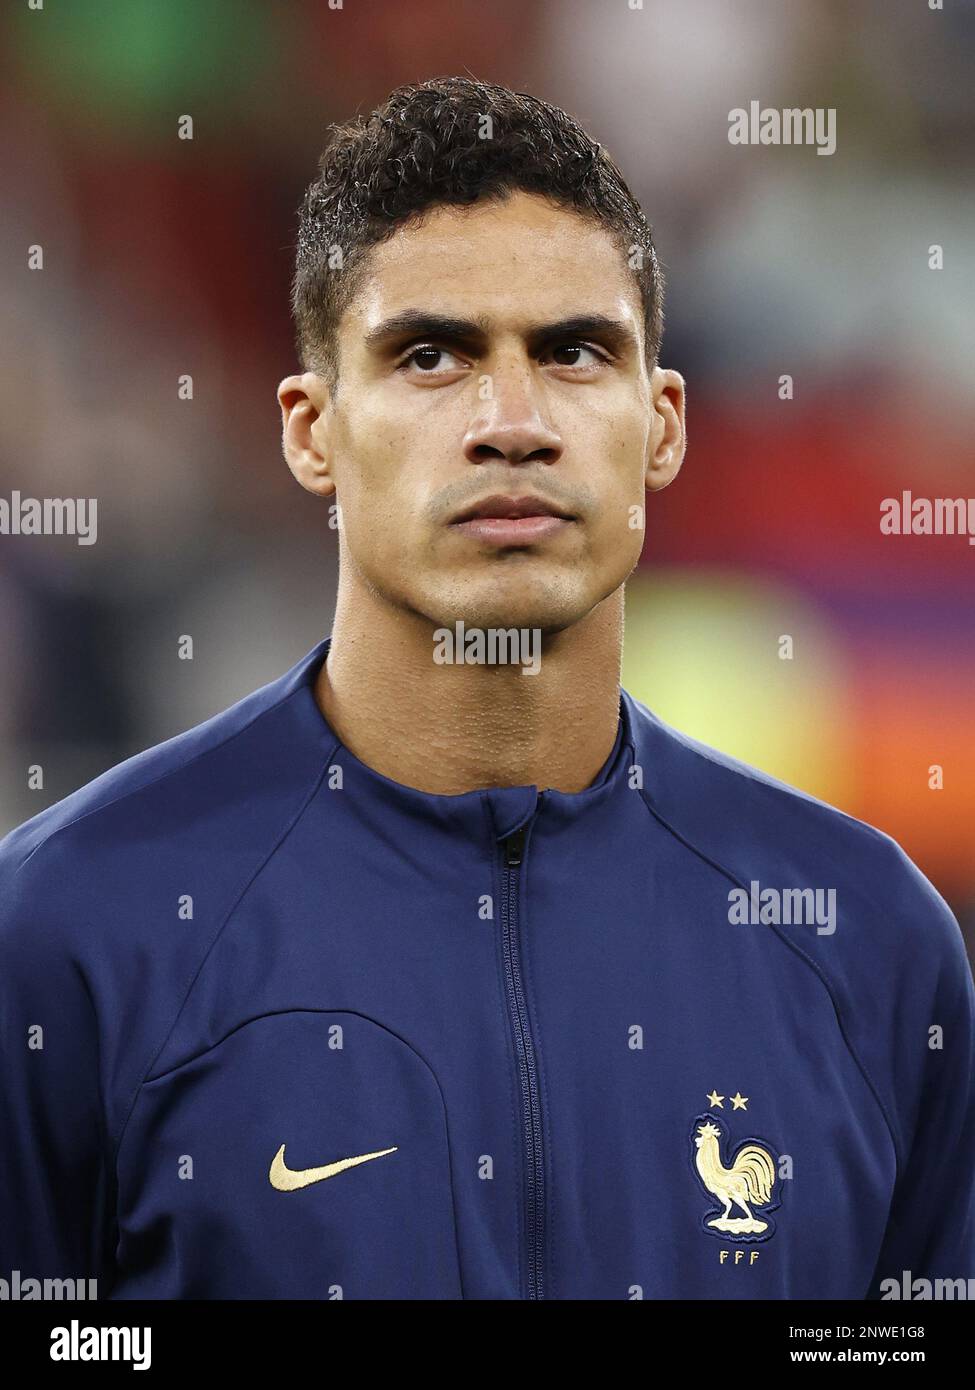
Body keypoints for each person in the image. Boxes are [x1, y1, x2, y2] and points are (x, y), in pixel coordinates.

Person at [1, 77, 972, 1302]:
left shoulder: (869, 939)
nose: (511, 422)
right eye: (430, 355)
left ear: (663, 425)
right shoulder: (71, 928)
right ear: (311, 430)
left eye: (574, 353)